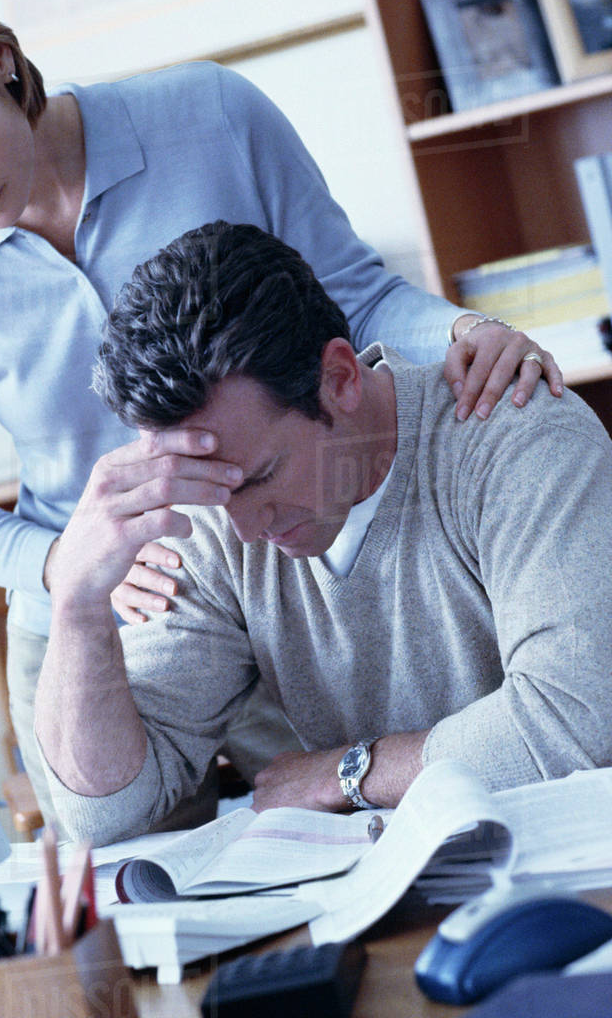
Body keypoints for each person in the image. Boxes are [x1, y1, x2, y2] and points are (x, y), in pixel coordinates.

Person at [0, 0, 562, 827]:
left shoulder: (209, 115)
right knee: (143, 891)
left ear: (0, 64)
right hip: (88, 614)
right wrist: (69, 570)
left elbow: (356, 294)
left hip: (263, 568)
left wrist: (468, 332)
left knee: (323, 823)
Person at [34, 222, 612, 846]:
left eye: (260, 478)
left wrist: (350, 774)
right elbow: (106, 814)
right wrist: (76, 604)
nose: (245, 529)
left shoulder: (519, 439)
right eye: (212, 495)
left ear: (338, 377)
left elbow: (575, 727)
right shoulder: (210, 517)